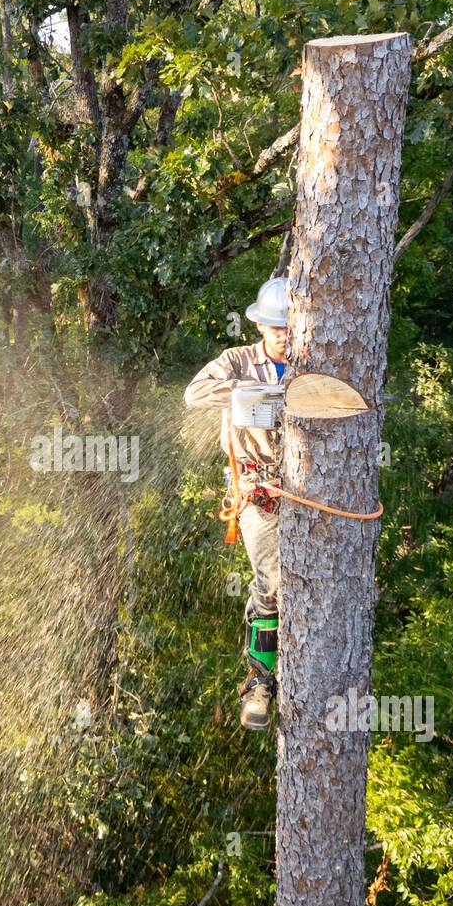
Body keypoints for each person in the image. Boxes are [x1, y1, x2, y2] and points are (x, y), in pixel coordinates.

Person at [184, 277, 289, 730]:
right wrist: (249, 394)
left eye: (293, 328)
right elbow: (193, 394)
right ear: (262, 326)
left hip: (313, 494)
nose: (286, 337)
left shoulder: (317, 363)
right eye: (278, 329)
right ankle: (261, 680)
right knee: (272, 581)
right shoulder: (239, 361)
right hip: (259, 491)